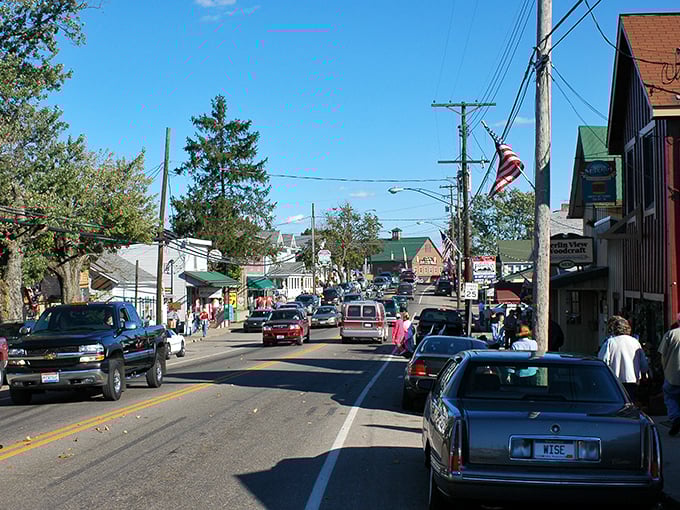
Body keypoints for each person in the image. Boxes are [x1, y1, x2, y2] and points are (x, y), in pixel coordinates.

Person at [598, 315, 649, 402]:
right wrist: (644, 375)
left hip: (614, 380)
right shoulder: (635, 342)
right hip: (632, 379)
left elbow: (603, 361)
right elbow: (643, 364)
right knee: (630, 402)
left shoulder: (610, 342)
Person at [659, 313, 680, 436]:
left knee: (670, 397)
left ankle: (675, 418)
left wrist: (665, 369)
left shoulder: (671, 334)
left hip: (672, 374)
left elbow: (663, 354)